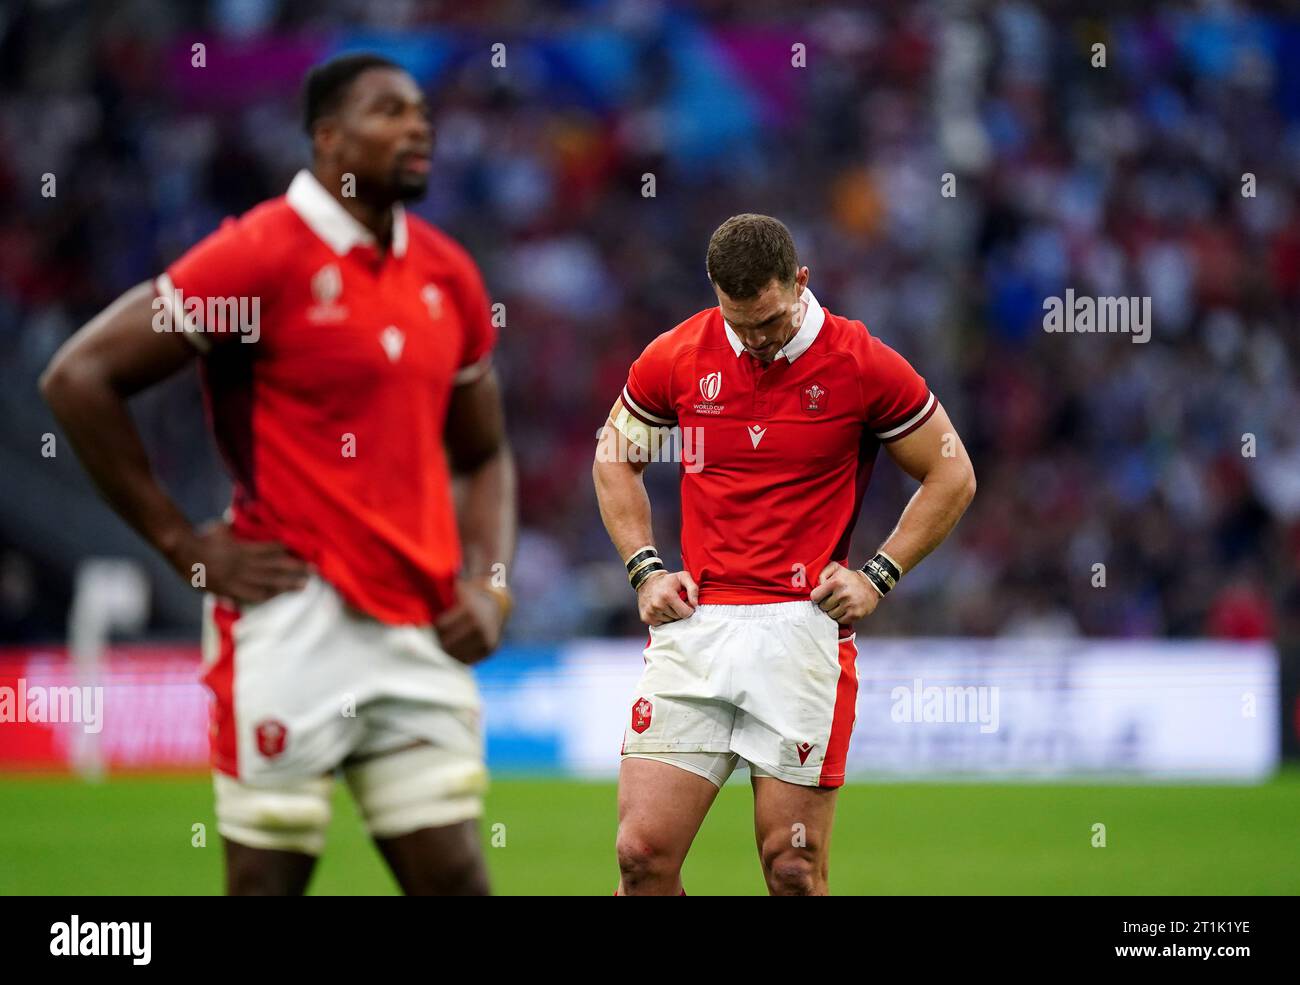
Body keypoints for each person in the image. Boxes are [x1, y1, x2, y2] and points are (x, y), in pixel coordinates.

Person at [40, 53, 516, 896]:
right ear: (328, 139)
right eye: (390, 111)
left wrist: (490, 580)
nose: (419, 125)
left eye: (422, 111)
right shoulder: (259, 256)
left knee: (455, 879)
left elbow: (484, 453)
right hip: (292, 616)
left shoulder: (447, 271)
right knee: (267, 882)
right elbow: (79, 377)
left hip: (421, 621)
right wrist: (184, 543)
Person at [593, 213, 976, 895]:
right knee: (641, 856)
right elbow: (614, 457)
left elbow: (953, 473)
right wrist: (644, 568)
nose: (757, 339)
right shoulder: (678, 353)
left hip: (802, 638)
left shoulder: (863, 362)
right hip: (696, 630)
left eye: (769, 321)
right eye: (739, 323)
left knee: (792, 869)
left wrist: (877, 577)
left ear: (800, 282)